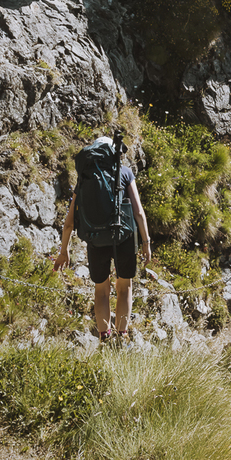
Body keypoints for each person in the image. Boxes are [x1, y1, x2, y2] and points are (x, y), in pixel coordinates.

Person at [53, 139, 152, 342]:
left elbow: (69, 222)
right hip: (123, 237)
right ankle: (122, 336)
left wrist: (64, 251)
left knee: (101, 290)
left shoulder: (84, 178)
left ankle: (104, 337)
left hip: (95, 239)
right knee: (124, 286)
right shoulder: (124, 172)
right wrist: (146, 242)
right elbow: (138, 212)